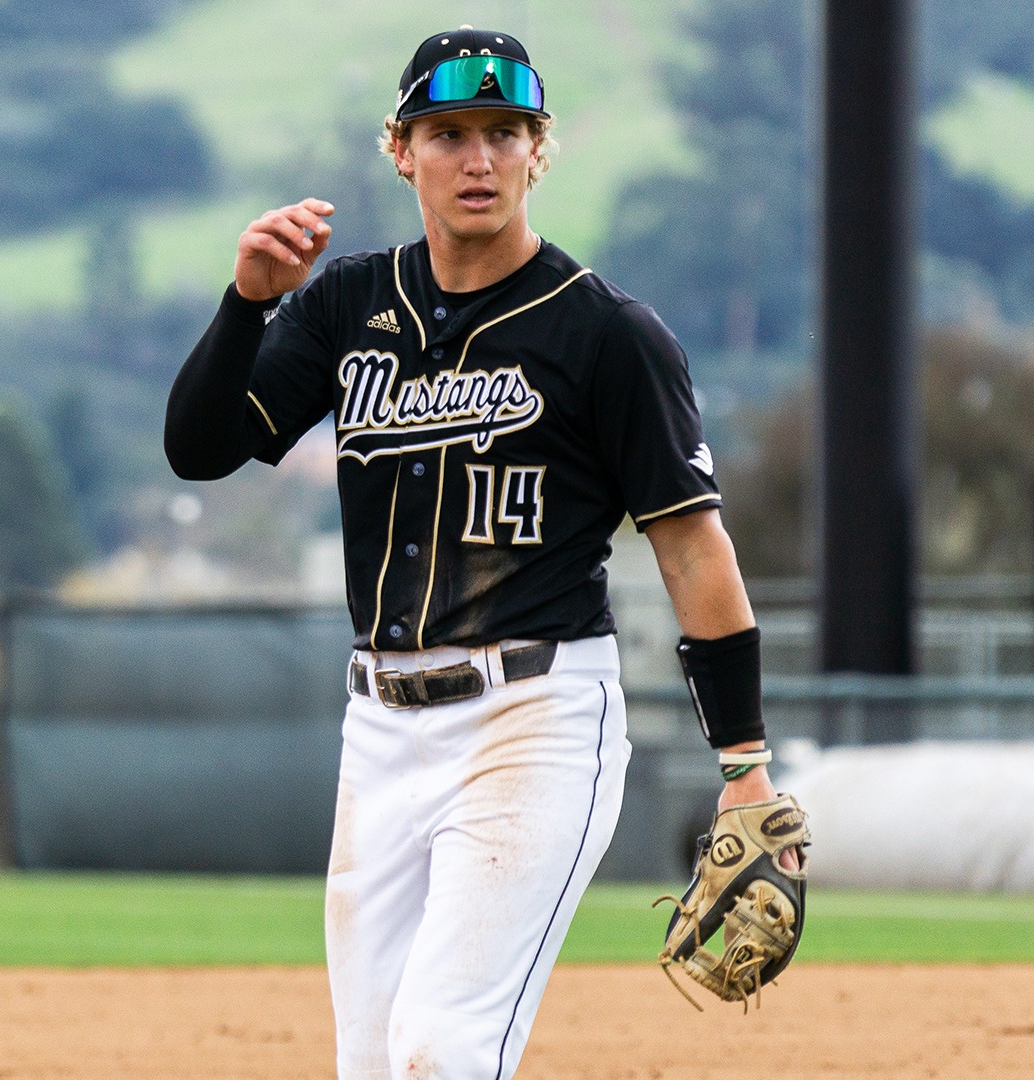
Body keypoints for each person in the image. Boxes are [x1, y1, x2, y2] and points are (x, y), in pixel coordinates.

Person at [164, 26, 793, 1079]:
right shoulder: (348, 305)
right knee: (375, 1064)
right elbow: (200, 448)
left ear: (539, 152)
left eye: (505, 132)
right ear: (400, 150)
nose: (479, 159)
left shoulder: (607, 334)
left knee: (441, 1049)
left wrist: (746, 770)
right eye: (449, 132)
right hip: (379, 726)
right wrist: (246, 305)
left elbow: (693, 551)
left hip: (534, 718)